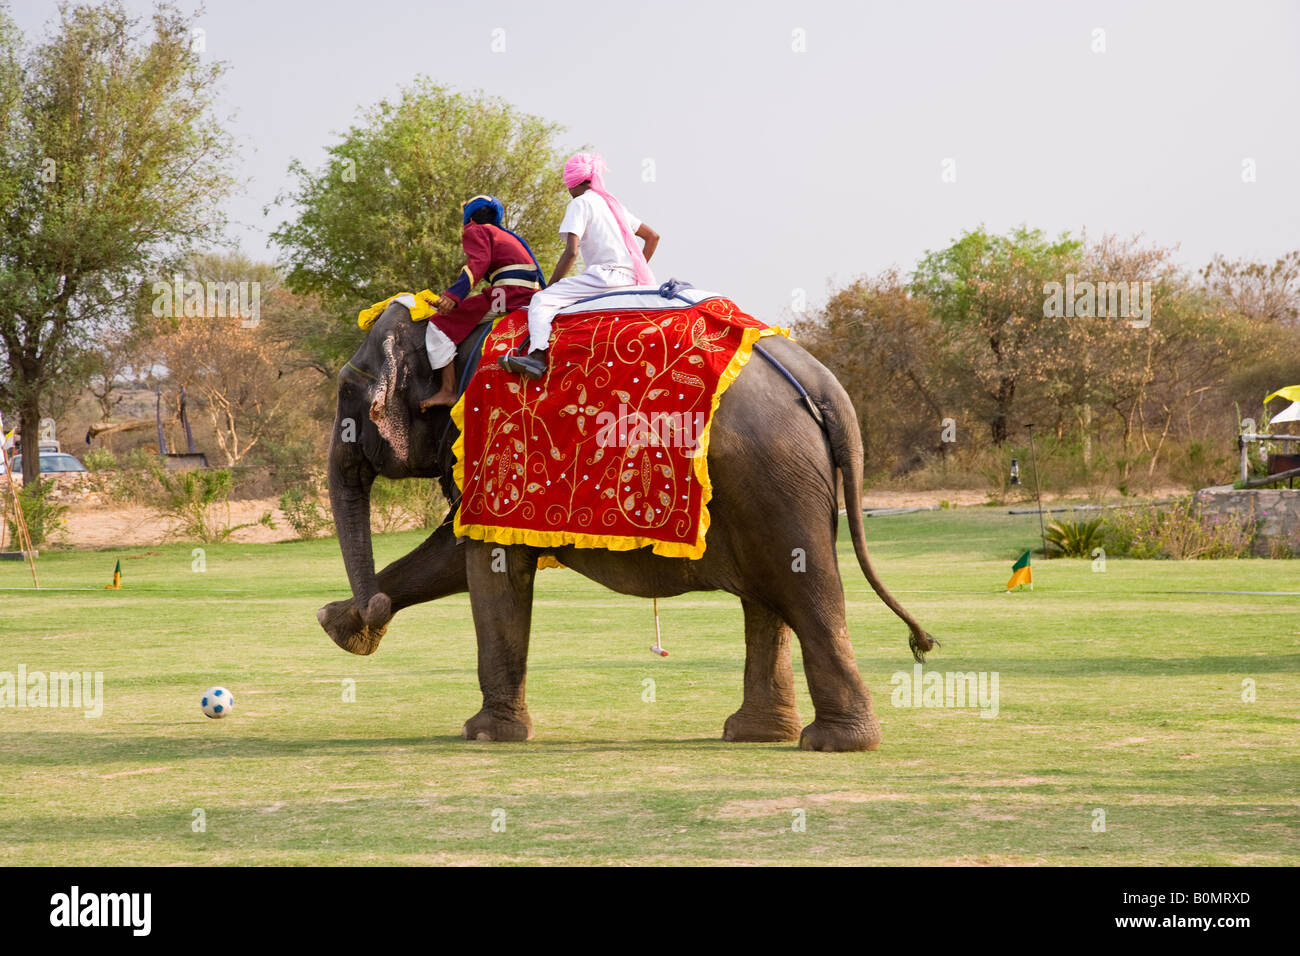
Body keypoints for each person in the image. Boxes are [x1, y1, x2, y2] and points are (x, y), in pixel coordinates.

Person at [499, 153, 659, 380]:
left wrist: (550, 287)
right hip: (630, 278)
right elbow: (653, 237)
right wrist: (635, 269)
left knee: (542, 301)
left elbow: (571, 252)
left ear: (572, 183)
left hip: (604, 277)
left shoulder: (580, 203)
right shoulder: (612, 203)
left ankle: (536, 356)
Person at [420, 195, 545, 408]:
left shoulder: (476, 230)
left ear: (469, 218)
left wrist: (452, 296)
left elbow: (478, 263)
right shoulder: (507, 235)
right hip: (530, 295)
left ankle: (447, 390)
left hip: (507, 295)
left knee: (440, 324)